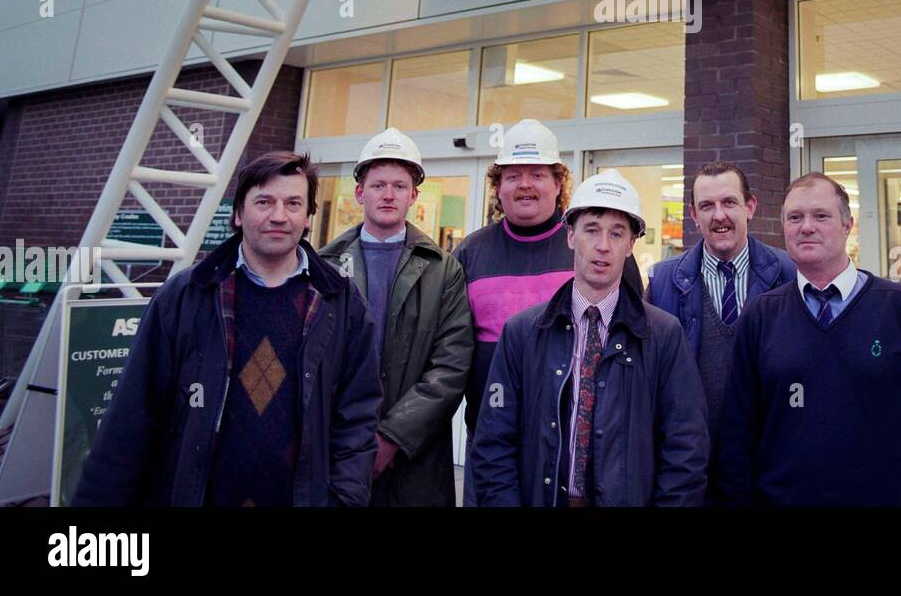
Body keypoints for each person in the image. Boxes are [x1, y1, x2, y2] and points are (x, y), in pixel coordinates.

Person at [74, 152, 382, 506]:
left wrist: (343, 500)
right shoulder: (186, 296)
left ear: (309, 217)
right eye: (264, 202)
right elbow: (132, 417)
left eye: (293, 203)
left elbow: (357, 419)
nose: (279, 216)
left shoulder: (341, 304)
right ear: (238, 213)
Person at [717, 173, 901, 506]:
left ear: (848, 224)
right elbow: (737, 429)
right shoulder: (761, 316)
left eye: (821, 216)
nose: (806, 226)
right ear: (784, 228)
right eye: (795, 217)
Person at [471, 170, 709, 507]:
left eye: (616, 233)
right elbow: (493, 443)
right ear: (570, 236)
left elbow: (686, 449)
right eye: (592, 230)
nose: (602, 246)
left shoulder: (664, 336)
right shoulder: (523, 333)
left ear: (630, 245)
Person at [453, 119, 640, 505]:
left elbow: (634, 342)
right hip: (492, 445)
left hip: (581, 451)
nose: (525, 184)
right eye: (512, 175)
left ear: (558, 184)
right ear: (497, 187)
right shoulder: (470, 254)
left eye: (538, 174)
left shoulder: (593, 246)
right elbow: (452, 350)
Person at [319, 128, 473, 506]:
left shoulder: (443, 269)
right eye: (378, 185)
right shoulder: (323, 266)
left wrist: (392, 438)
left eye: (400, 186)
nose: (388, 195)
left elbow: (451, 365)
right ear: (360, 193)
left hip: (415, 459)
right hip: (335, 448)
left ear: (413, 195)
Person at [647, 161, 794, 500]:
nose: (719, 216)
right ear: (693, 215)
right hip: (689, 473)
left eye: (729, 203)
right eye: (706, 206)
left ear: (750, 207)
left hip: (768, 470)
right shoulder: (663, 282)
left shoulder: (788, 274)